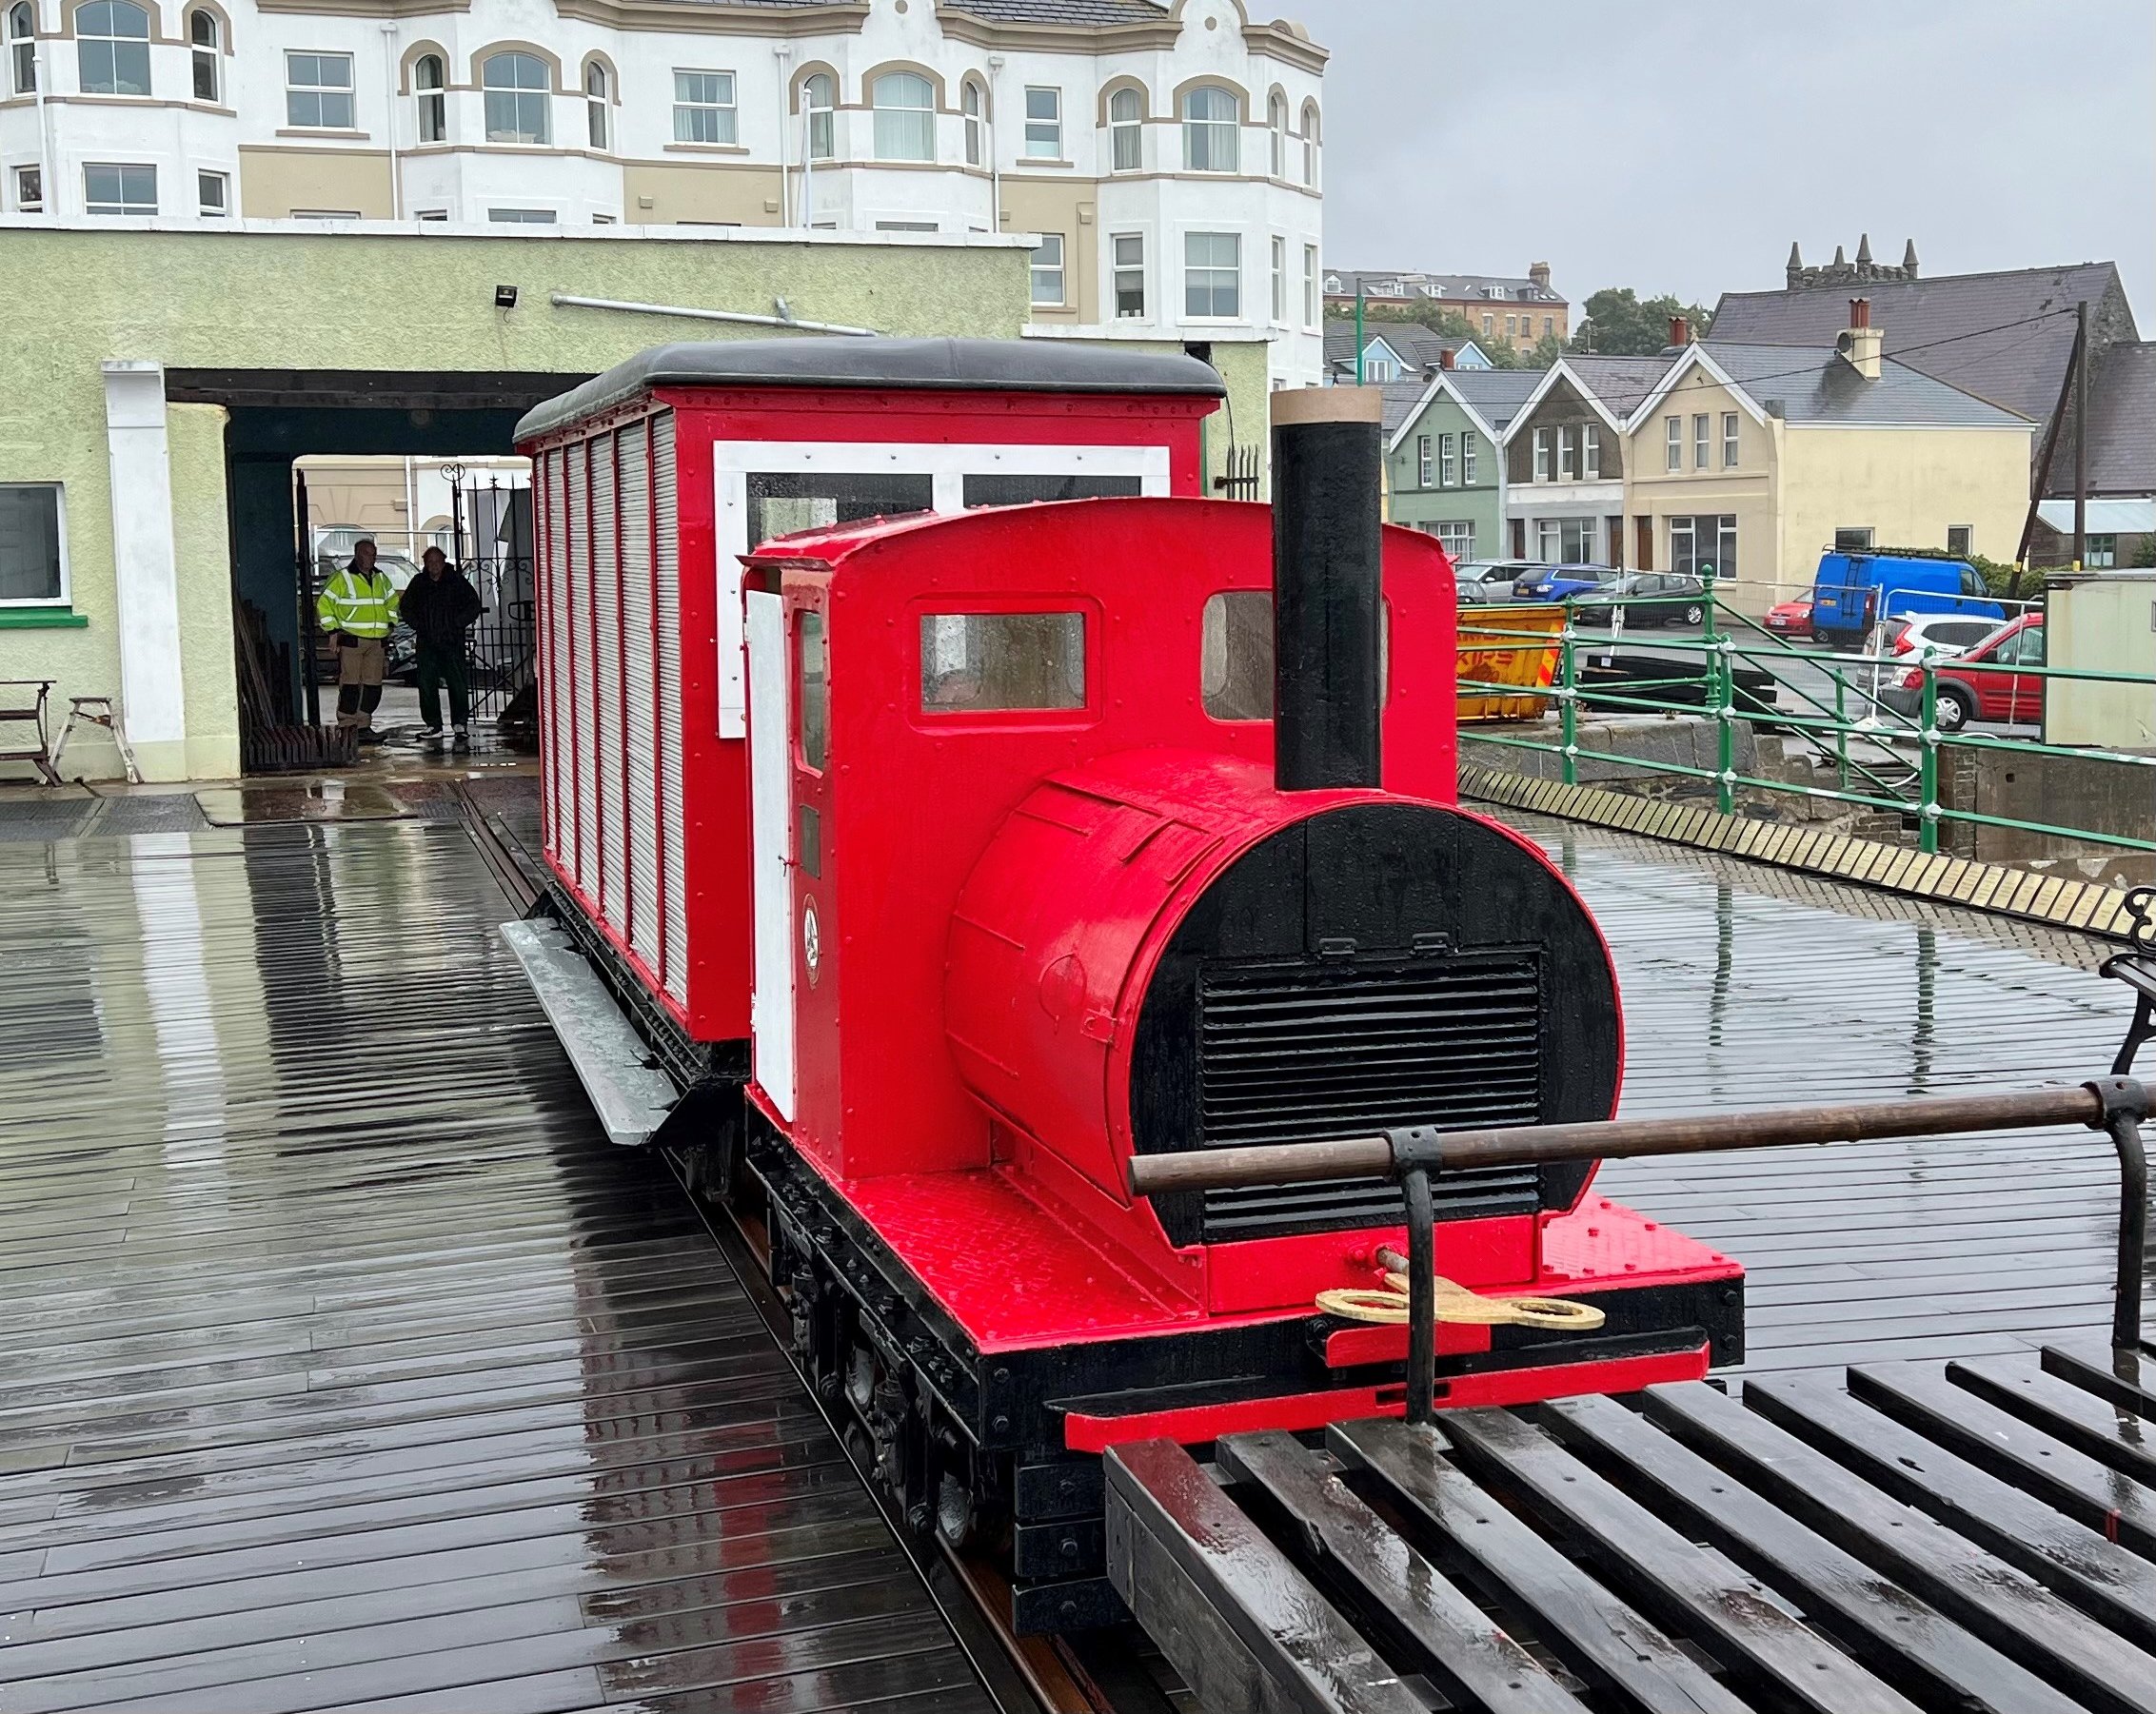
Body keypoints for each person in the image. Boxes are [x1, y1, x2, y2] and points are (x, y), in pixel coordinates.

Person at [399, 544, 484, 749]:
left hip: (451, 641)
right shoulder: (419, 583)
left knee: (457, 683)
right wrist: (419, 625)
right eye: (429, 562)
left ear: (444, 562)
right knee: (427, 684)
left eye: (436, 562)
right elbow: (406, 607)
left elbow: (473, 605)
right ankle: (433, 725)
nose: (433, 566)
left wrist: (456, 623)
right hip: (427, 642)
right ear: (425, 564)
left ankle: (460, 723)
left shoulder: (456, 582)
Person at [316, 540, 400, 744]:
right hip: (352, 639)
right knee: (351, 685)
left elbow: (392, 602)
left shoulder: (381, 578)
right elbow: (324, 604)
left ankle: (363, 725)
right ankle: (347, 726)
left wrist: (390, 624)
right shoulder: (342, 578)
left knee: (373, 686)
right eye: (367, 554)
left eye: (374, 554)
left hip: (377, 640)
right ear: (357, 554)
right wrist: (333, 631)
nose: (372, 558)